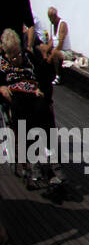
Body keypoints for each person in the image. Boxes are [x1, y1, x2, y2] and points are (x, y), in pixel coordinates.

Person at [0, 28, 58, 188]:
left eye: (18, 53)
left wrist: (42, 82)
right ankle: (33, 162)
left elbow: (42, 76)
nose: (18, 58)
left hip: (34, 96)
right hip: (16, 100)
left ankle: (52, 157)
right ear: (6, 53)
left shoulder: (29, 57)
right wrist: (2, 88)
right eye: (13, 56)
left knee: (45, 107)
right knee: (23, 114)